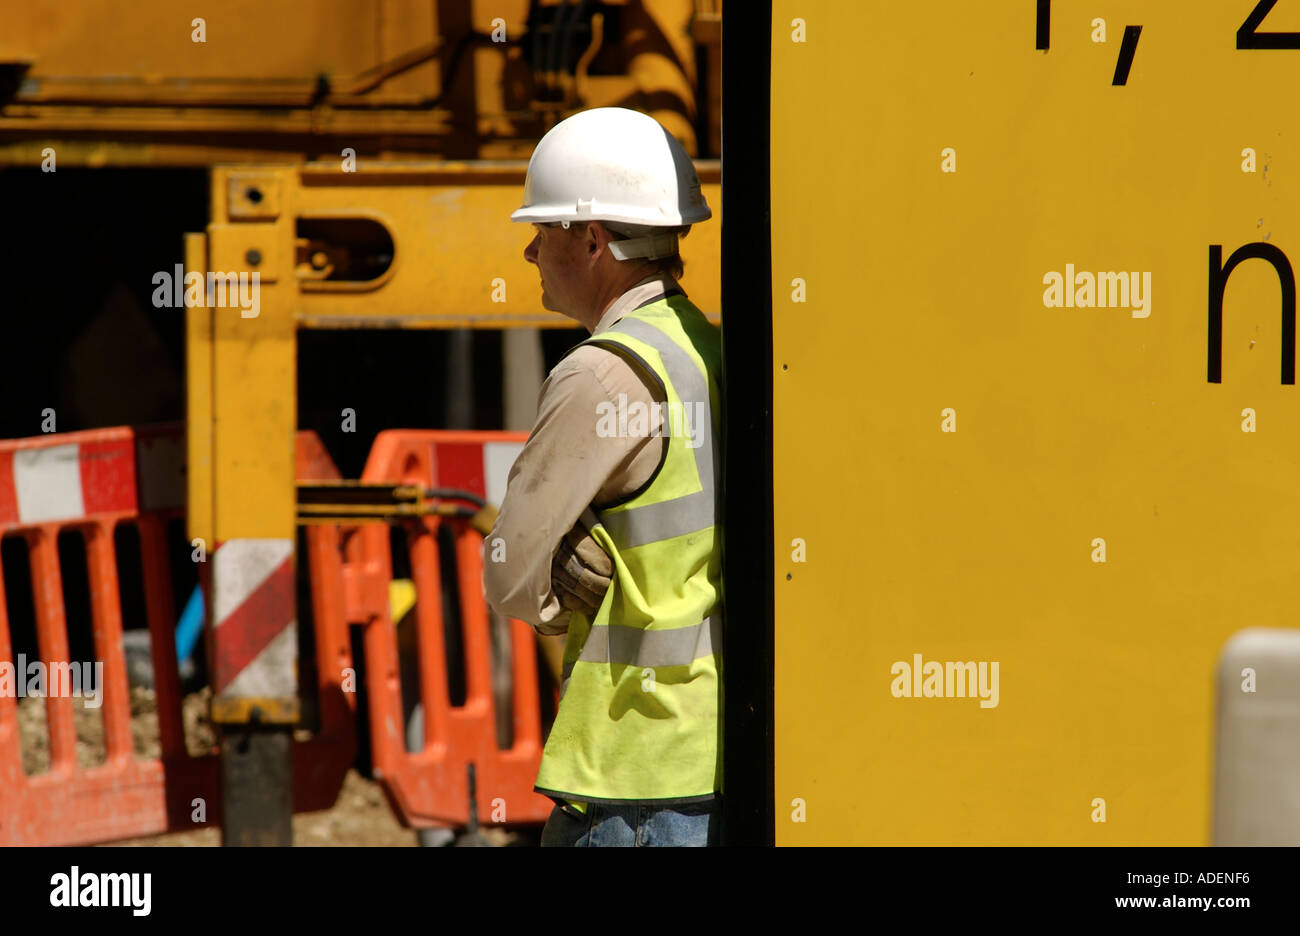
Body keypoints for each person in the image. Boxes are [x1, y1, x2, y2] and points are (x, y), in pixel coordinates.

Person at [483, 107, 724, 847]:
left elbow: (509, 576)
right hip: (711, 755)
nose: (529, 252)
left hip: (632, 775)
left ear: (591, 239)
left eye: (542, 230)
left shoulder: (602, 372)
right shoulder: (708, 349)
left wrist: (557, 594)